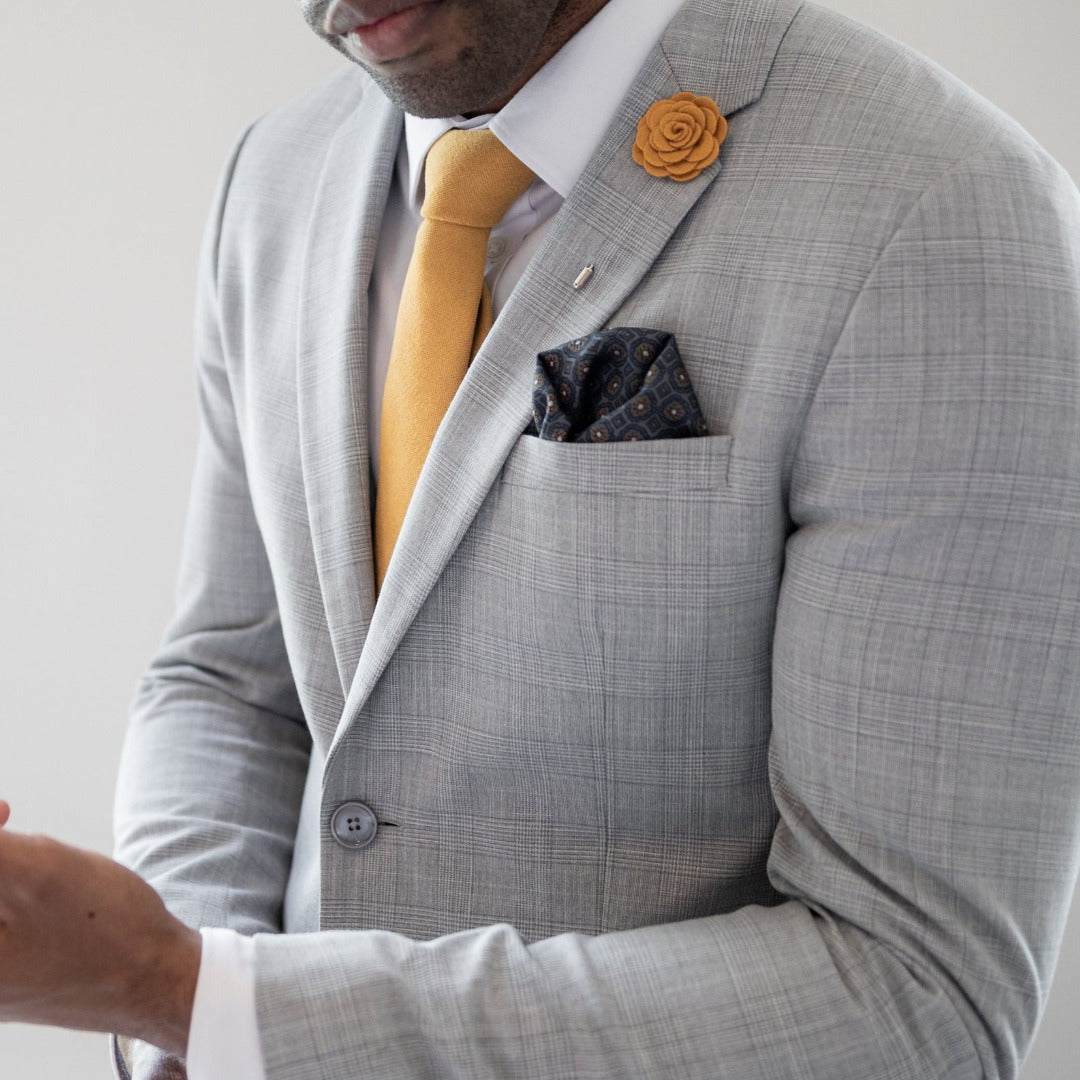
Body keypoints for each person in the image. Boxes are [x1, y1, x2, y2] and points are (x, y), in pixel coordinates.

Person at [1, 0, 1079, 1077]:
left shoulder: (943, 209)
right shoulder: (281, 172)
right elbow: (231, 685)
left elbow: (919, 997)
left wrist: (184, 991)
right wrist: (188, 1027)